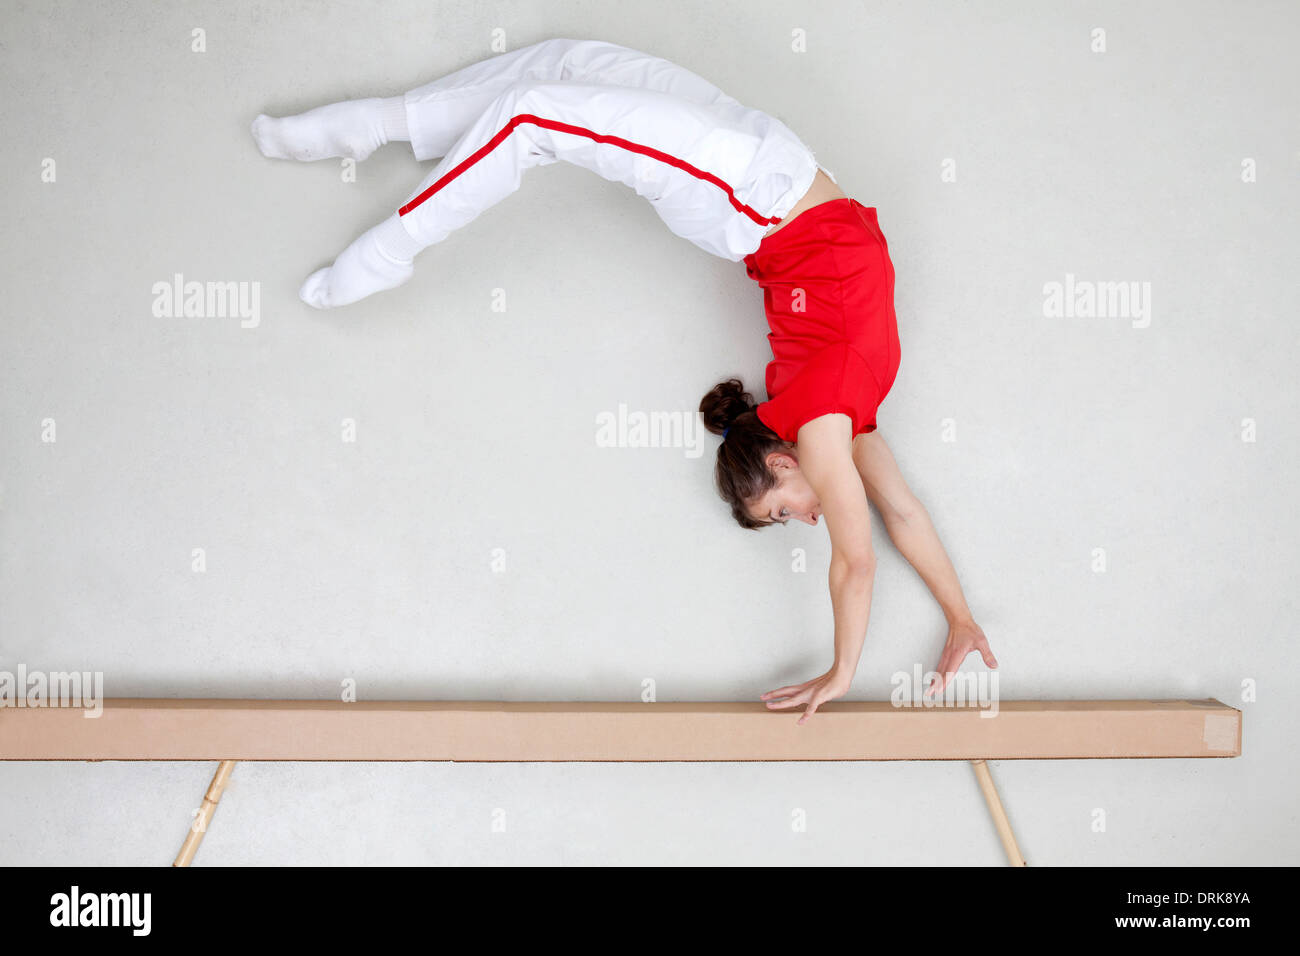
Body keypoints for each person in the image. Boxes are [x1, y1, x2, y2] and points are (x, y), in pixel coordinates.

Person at [250, 37, 996, 723]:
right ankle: (388, 124)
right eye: (785, 515)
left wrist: (863, 656)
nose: (803, 520)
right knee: (568, 71)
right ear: (780, 461)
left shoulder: (827, 424)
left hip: (749, 191)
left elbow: (864, 549)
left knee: (538, 115)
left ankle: (382, 250)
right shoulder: (838, 425)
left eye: (778, 514)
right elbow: (886, 531)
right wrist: (944, 624)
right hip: (760, 178)